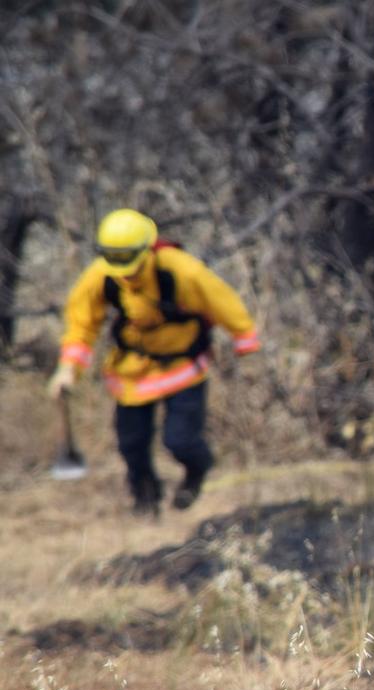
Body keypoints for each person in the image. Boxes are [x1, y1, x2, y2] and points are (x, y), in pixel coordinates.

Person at [46, 209, 261, 516]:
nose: (125, 272)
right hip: (132, 372)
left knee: (181, 441)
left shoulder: (181, 270)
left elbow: (224, 302)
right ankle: (146, 500)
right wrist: (67, 369)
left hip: (183, 368)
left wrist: (246, 343)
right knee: (131, 445)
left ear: (147, 249)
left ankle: (196, 471)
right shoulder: (101, 276)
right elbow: (81, 325)